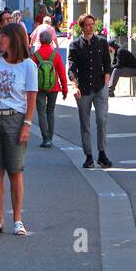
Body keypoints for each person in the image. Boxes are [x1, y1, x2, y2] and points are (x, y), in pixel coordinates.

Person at [0, 22, 39, 235]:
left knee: (15, 172)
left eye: (2, 36)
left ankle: (18, 219)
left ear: (14, 39)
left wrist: (27, 125)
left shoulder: (28, 65)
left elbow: (31, 98)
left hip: (14, 119)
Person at [67, 13, 112, 169]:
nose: (91, 27)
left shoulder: (101, 42)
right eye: (87, 24)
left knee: (101, 120)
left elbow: (108, 64)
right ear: (82, 27)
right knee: (85, 124)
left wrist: (106, 83)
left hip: (100, 87)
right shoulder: (75, 45)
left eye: (92, 24)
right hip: (84, 89)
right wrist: (74, 86)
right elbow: (72, 68)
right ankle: (88, 156)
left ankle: (102, 153)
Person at [32, 23, 67, 148]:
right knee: (50, 112)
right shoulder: (55, 55)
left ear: (40, 40)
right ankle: (50, 138)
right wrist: (64, 89)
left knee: (41, 112)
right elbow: (62, 73)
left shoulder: (36, 55)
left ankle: (45, 138)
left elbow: (30, 73)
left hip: (39, 88)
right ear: (51, 40)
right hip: (54, 87)